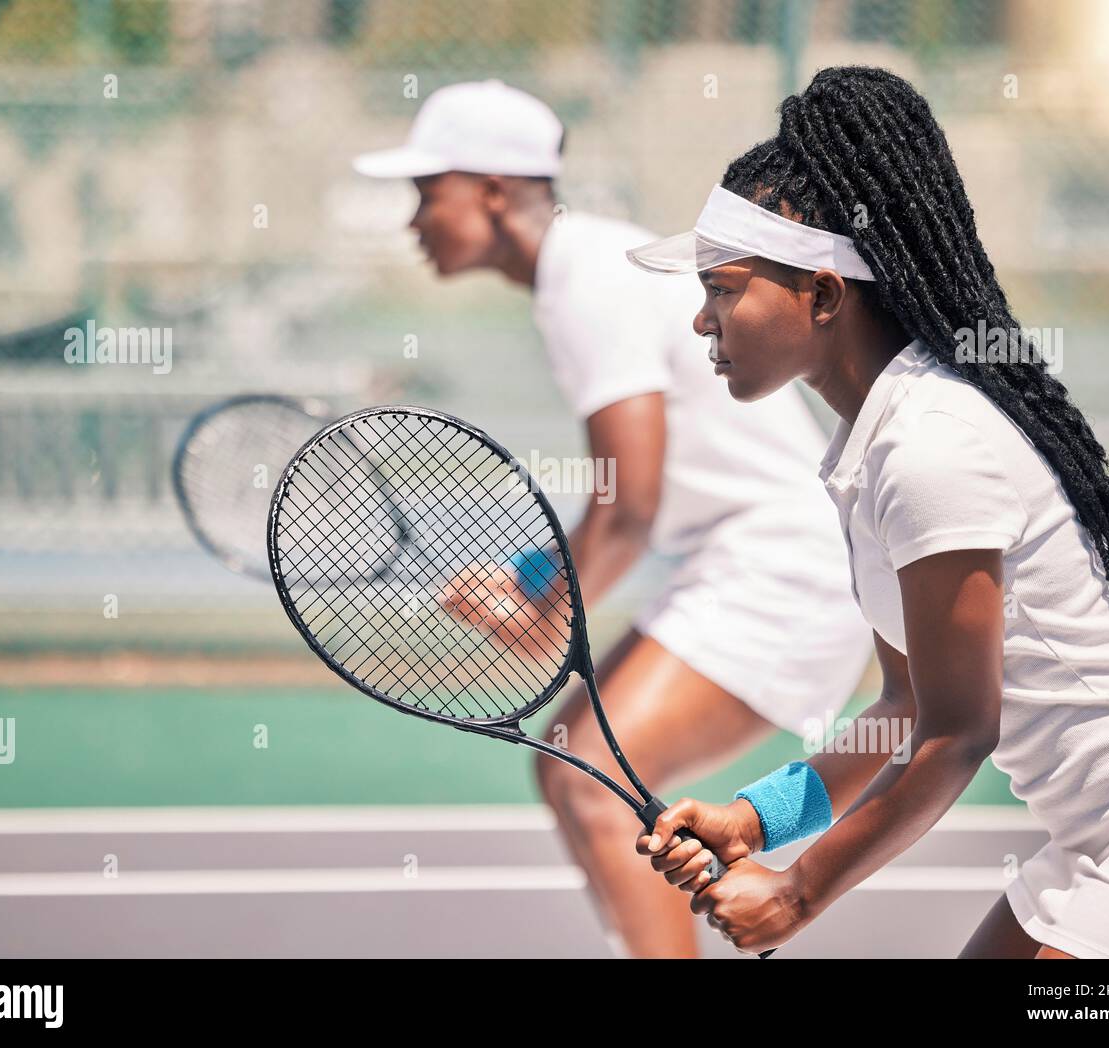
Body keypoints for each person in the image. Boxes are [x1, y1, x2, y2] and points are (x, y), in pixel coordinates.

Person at [631, 65, 1109, 959]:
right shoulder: (877, 444)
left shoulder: (931, 449)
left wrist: (796, 895)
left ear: (822, 295)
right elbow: (903, 706)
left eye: (724, 289)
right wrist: (758, 817)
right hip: (1108, 829)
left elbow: (957, 733)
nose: (704, 323)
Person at [353, 79, 872, 957]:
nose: (412, 222)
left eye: (424, 193)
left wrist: (549, 617)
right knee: (571, 767)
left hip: (781, 572)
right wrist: (533, 581)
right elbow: (644, 490)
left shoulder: (584, 278)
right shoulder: (586, 267)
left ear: (488, 190)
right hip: (753, 563)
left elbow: (626, 504)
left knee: (589, 783)